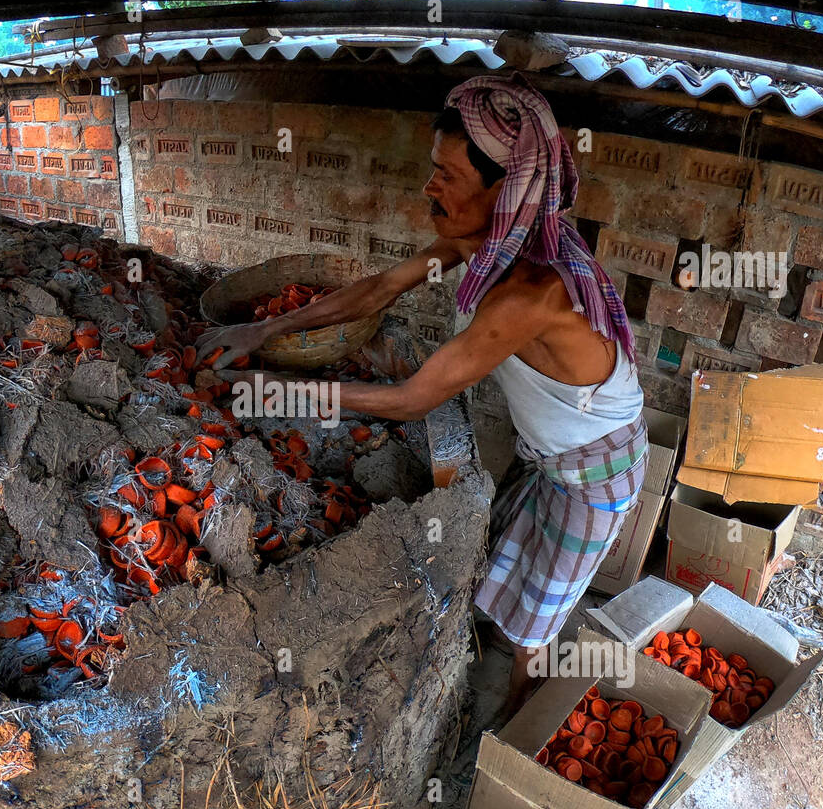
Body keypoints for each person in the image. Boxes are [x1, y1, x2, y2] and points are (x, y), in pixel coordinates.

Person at [196, 72, 647, 726]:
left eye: (449, 175)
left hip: (595, 465)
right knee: (518, 557)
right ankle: (501, 649)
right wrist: (265, 329)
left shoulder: (530, 292)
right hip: (554, 447)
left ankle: (513, 719)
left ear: (507, 188)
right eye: (433, 167)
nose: (430, 186)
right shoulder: (490, 241)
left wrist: (280, 393)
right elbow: (379, 289)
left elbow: (411, 399)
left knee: (542, 616)